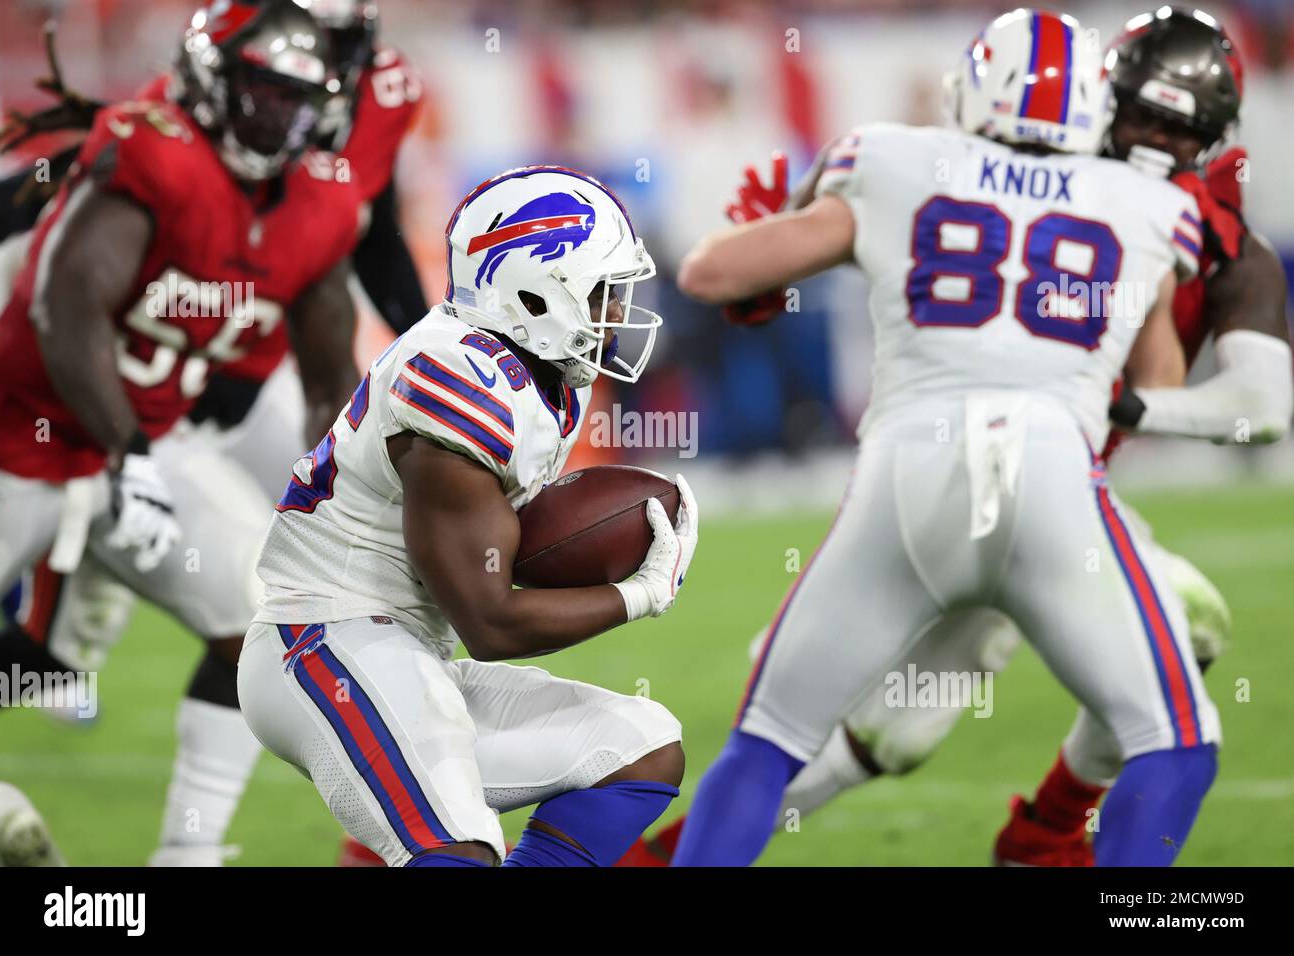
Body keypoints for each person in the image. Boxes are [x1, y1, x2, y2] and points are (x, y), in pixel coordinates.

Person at [669, 8, 1217, 867]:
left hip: (907, 469)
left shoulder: (894, 159)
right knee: (1174, 740)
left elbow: (713, 272)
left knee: (766, 743)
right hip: (1049, 471)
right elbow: (1158, 392)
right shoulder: (1146, 204)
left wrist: (764, 231)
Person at [237, 165, 699, 867]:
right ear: (535, 294)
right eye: (601, 291)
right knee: (458, 847)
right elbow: (490, 621)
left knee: (640, 748)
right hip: (322, 642)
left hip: (405, 649)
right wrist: (635, 595)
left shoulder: (538, 371)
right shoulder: (460, 379)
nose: (614, 312)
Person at [0, 0, 362, 865]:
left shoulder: (320, 207)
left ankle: (186, 857)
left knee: (267, 620)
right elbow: (67, 307)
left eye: (296, 101)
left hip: (143, 448)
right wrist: (127, 450)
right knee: (38, 666)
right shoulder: (157, 152)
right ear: (211, 80)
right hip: (18, 435)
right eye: (262, 92)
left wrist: (339, 496)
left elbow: (328, 375)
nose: (277, 118)